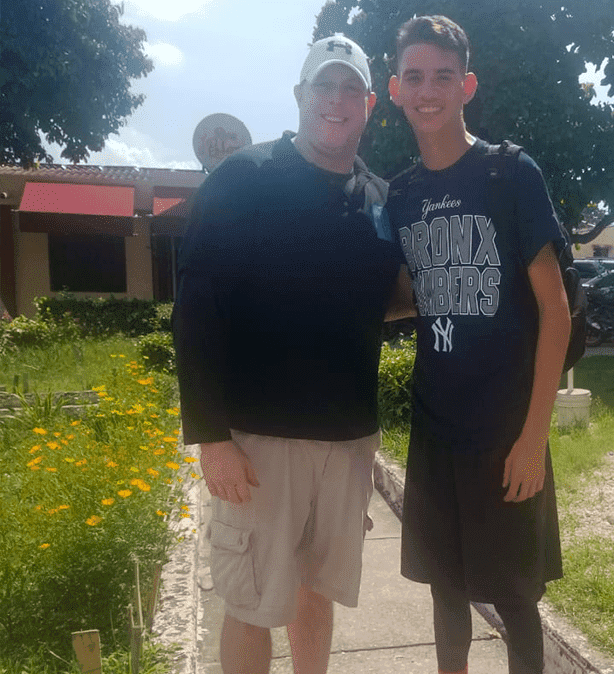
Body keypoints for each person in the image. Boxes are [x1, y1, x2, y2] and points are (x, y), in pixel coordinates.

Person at [172, 35, 403, 674]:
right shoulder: (243, 177)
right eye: (322, 87)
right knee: (249, 601)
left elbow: (393, 296)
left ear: (369, 103)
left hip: (347, 440)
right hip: (255, 442)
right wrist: (210, 434)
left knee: (315, 589)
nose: (336, 100)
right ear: (300, 95)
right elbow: (194, 308)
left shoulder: (383, 200)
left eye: (349, 89)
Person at [386, 16, 570, 674]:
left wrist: (532, 438)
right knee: (444, 587)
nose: (427, 89)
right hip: (436, 427)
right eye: (414, 76)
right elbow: (404, 294)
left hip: (505, 426)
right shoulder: (401, 194)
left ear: (465, 85)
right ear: (395, 89)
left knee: (515, 594)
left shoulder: (508, 173)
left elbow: (555, 311)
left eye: (442, 76)